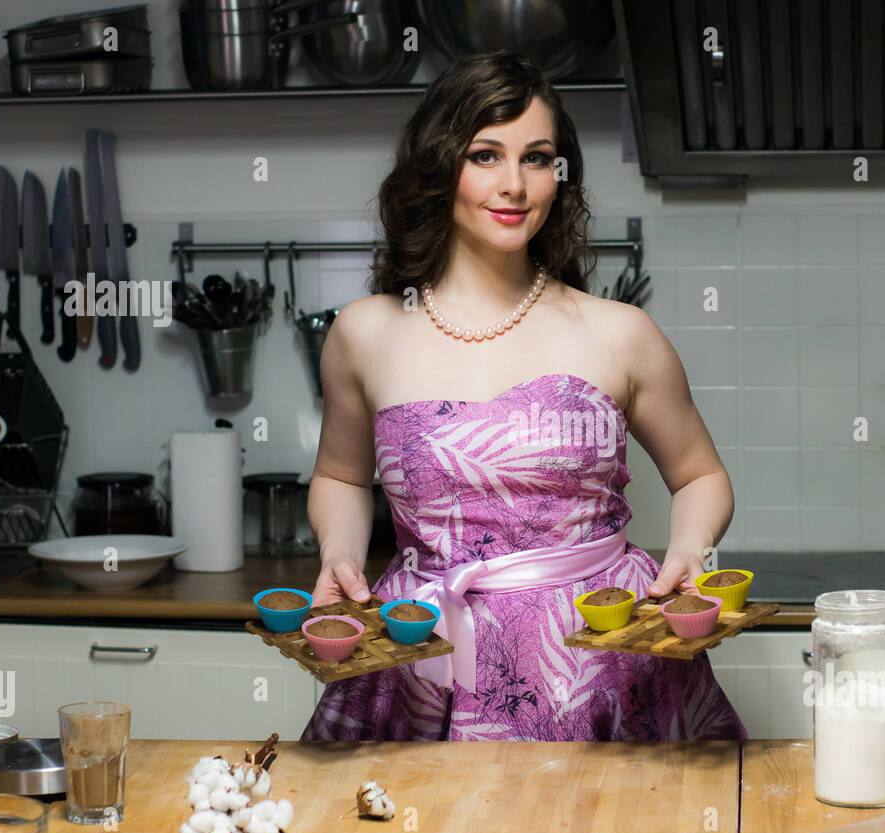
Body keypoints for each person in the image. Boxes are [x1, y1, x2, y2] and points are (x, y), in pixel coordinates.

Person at [301, 51, 746, 742]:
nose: (513, 185)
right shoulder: (364, 334)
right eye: (485, 155)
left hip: (599, 657)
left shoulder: (621, 334)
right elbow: (338, 475)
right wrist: (339, 554)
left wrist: (690, 549)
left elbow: (700, 476)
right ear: (439, 163)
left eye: (536, 158)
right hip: (422, 653)